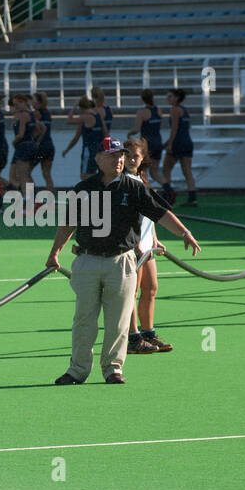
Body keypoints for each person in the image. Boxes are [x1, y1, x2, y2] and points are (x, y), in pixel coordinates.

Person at [46, 137, 200, 385]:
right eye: (112, 156)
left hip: (122, 261)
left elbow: (161, 213)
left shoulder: (135, 187)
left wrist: (184, 232)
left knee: (117, 322)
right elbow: (68, 222)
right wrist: (54, 253)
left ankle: (112, 369)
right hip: (87, 259)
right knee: (84, 320)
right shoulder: (83, 188)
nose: (119, 160)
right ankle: (77, 370)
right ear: (99, 159)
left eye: (121, 155)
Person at [122, 138, 179, 355]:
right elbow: (127, 217)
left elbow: (150, 212)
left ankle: (148, 333)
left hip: (147, 245)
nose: (130, 160)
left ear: (143, 158)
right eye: (127, 156)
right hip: (133, 247)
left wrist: (153, 237)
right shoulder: (124, 182)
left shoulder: (142, 180)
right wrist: (136, 242)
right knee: (132, 292)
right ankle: (133, 338)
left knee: (151, 288)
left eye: (135, 156)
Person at [164, 87, 197, 205]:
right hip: (187, 142)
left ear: (176, 98)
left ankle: (168, 195)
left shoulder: (174, 110)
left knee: (166, 169)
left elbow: (174, 129)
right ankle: (192, 197)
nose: (167, 99)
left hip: (178, 143)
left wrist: (170, 144)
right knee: (187, 171)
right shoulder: (185, 110)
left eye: (170, 96)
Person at [126, 89, 163, 187]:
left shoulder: (142, 112)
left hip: (147, 144)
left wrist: (129, 134)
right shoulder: (158, 109)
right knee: (155, 172)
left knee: (142, 172)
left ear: (142, 99)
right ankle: (169, 189)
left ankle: (147, 194)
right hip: (158, 142)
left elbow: (137, 129)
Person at [63, 96, 104, 179]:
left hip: (89, 150)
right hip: (99, 149)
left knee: (85, 176)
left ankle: (91, 192)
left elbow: (69, 120)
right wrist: (67, 150)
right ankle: (96, 191)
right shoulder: (98, 115)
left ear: (81, 108)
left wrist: (74, 107)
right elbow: (76, 137)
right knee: (94, 175)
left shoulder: (86, 117)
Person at [32, 91, 56, 190]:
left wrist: (36, 141)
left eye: (33, 101)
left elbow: (40, 130)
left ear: (38, 103)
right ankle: (51, 197)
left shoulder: (35, 113)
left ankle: (30, 195)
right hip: (49, 145)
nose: (31, 103)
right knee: (47, 174)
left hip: (41, 145)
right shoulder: (47, 112)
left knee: (25, 171)